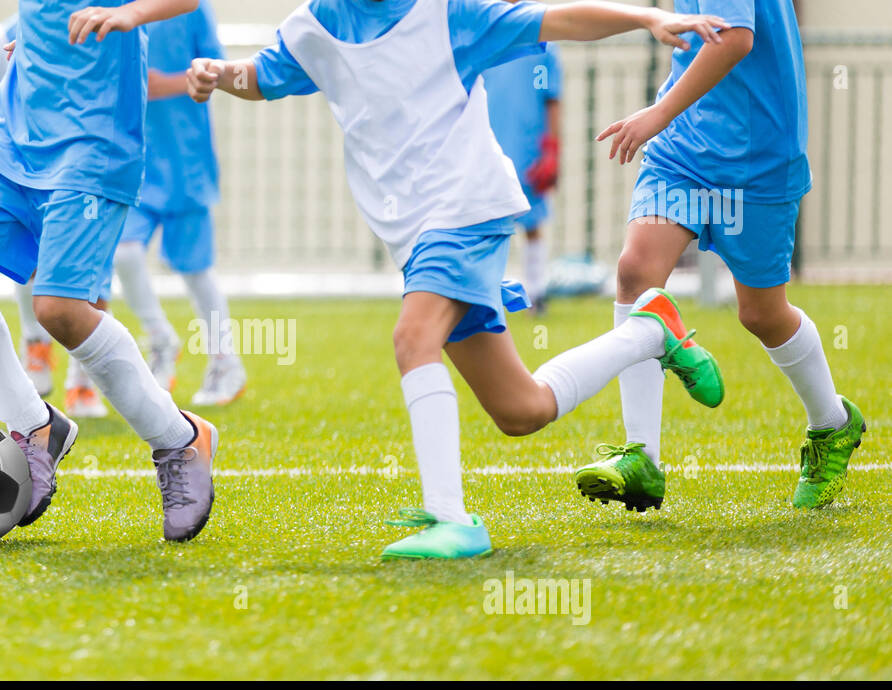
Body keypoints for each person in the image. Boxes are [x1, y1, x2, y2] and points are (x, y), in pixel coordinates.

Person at [186, 0, 730, 560]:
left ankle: (452, 520)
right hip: (415, 235)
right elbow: (262, 76)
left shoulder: (449, 13)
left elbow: (559, 19)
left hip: (466, 210)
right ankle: (650, 332)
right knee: (522, 411)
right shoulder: (314, 24)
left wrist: (645, 19)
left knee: (412, 338)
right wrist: (218, 74)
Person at [0, 0, 220, 543]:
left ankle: (179, 438)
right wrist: (33, 41)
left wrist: (131, 14)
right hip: (13, 131)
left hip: (93, 140)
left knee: (59, 310)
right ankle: (34, 426)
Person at [577, 0, 865, 512]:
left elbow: (735, 38)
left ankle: (833, 424)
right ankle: (642, 459)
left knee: (761, 314)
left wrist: (656, 113)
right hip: (683, 151)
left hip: (759, 160)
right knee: (636, 272)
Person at [0, 12, 110, 418]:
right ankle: (35, 345)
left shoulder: (99, 22)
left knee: (90, 277)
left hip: (84, 168)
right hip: (20, 169)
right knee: (27, 264)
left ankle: (82, 382)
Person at [113, 0, 247, 406]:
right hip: (134, 160)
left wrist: (160, 84)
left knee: (196, 270)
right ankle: (160, 338)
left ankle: (226, 363)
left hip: (187, 161)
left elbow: (217, 70)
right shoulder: (117, 7)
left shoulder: (193, 7)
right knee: (124, 252)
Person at [482, 43, 562, 311]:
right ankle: (485, 294)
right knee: (484, 222)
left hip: (527, 145)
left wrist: (551, 149)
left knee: (532, 220)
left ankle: (536, 293)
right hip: (487, 141)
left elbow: (552, 99)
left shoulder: (543, 44)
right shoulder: (485, 31)